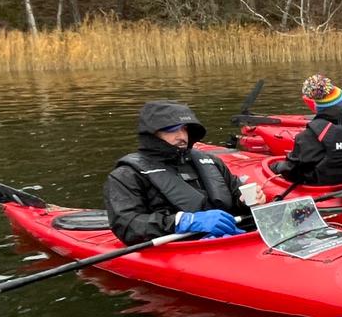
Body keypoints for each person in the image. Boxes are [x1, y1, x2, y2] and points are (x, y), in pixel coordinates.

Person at [104, 100, 259, 246]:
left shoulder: (212, 162)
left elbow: (236, 195)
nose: (182, 136)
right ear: (152, 134)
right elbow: (128, 225)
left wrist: (245, 201)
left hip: (231, 238)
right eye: (172, 130)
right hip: (179, 246)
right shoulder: (127, 175)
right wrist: (183, 221)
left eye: (184, 128)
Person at [270, 75, 342, 186]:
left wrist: (275, 166)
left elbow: (291, 171)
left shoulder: (304, 139)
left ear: (318, 108)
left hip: (320, 192)